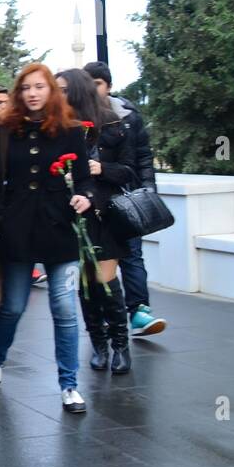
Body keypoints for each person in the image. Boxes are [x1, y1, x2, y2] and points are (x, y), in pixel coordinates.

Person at [0, 64, 96, 413]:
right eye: (26, 88)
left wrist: (85, 197)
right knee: (13, 305)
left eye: (39, 87)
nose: (32, 93)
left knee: (63, 308)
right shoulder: (5, 130)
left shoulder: (71, 131)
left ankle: (69, 384)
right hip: (16, 231)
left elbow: (84, 178)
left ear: (51, 91)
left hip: (59, 228)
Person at [58, 68, 138, 373]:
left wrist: (99, 168)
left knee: (105, 280)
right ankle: (98, 344)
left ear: (77, 91)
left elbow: (128, 171)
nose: (58, 95)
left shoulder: (115, 125)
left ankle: (121, 345)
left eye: (63, 89)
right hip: (72, 212)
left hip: (106, 213)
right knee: (85, 283)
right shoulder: (58, 128)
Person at [83, 61, 165, 337]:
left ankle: (139, 310)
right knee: (98, 263)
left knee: (132, 254)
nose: (93, 91)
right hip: (91, 204)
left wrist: (148, 188)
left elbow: (142, 156)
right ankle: (106, 317)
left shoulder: (127, 116)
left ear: (108, 86)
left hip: (124, 196)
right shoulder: (77, 117)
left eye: (98, 84)